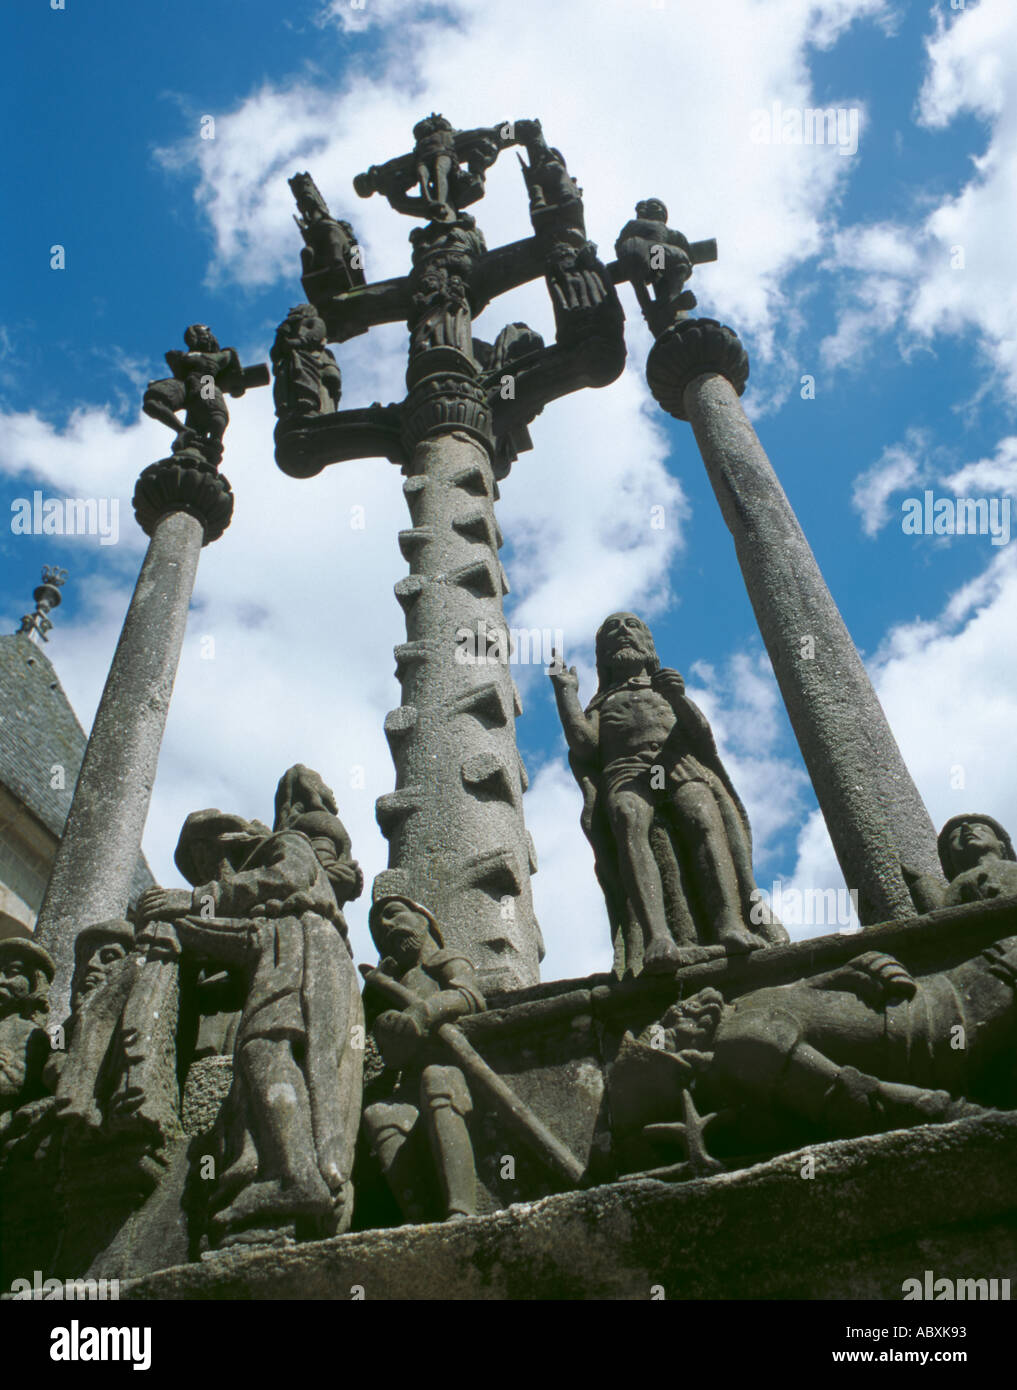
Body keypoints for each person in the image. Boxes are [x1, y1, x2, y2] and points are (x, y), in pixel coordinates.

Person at [137, 802, 363, 1241]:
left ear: (227, 846)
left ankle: (297, 1178)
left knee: (264, 1047)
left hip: (301, 953)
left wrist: (192, 903)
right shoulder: (265, 909)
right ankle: (283, 1172)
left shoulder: (286, 845)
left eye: (206, 861)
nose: (207, 876)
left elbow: (287, 878)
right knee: (263, 1055)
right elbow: (237, 947)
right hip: (293, 953)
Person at [551, 612, 784, 973]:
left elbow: (702, 735)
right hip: (625, 771)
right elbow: (585, 746)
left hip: (675, 762)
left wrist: (678, 698)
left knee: (703, 817)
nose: (623, 632)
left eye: (632, 626)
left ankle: (730, 925)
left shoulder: (662, 688)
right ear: (603, 657)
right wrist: (565, 693)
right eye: (612, 630)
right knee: (628, 818)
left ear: (648, 645)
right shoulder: (603, 703)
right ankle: (659, 936)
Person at [362, 894, 485, 1222]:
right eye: (377, 930)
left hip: (454, 1069)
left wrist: (423, 1011)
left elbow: (470, 996)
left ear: (424, 920)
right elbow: (370, 1039)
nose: (386, 927)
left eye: (393, 914)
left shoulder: (443, 960)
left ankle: (461, 1209)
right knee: (379, 1115)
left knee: (436, 1077)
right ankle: (419, 1220)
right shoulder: (390, 983)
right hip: (410, 1082)